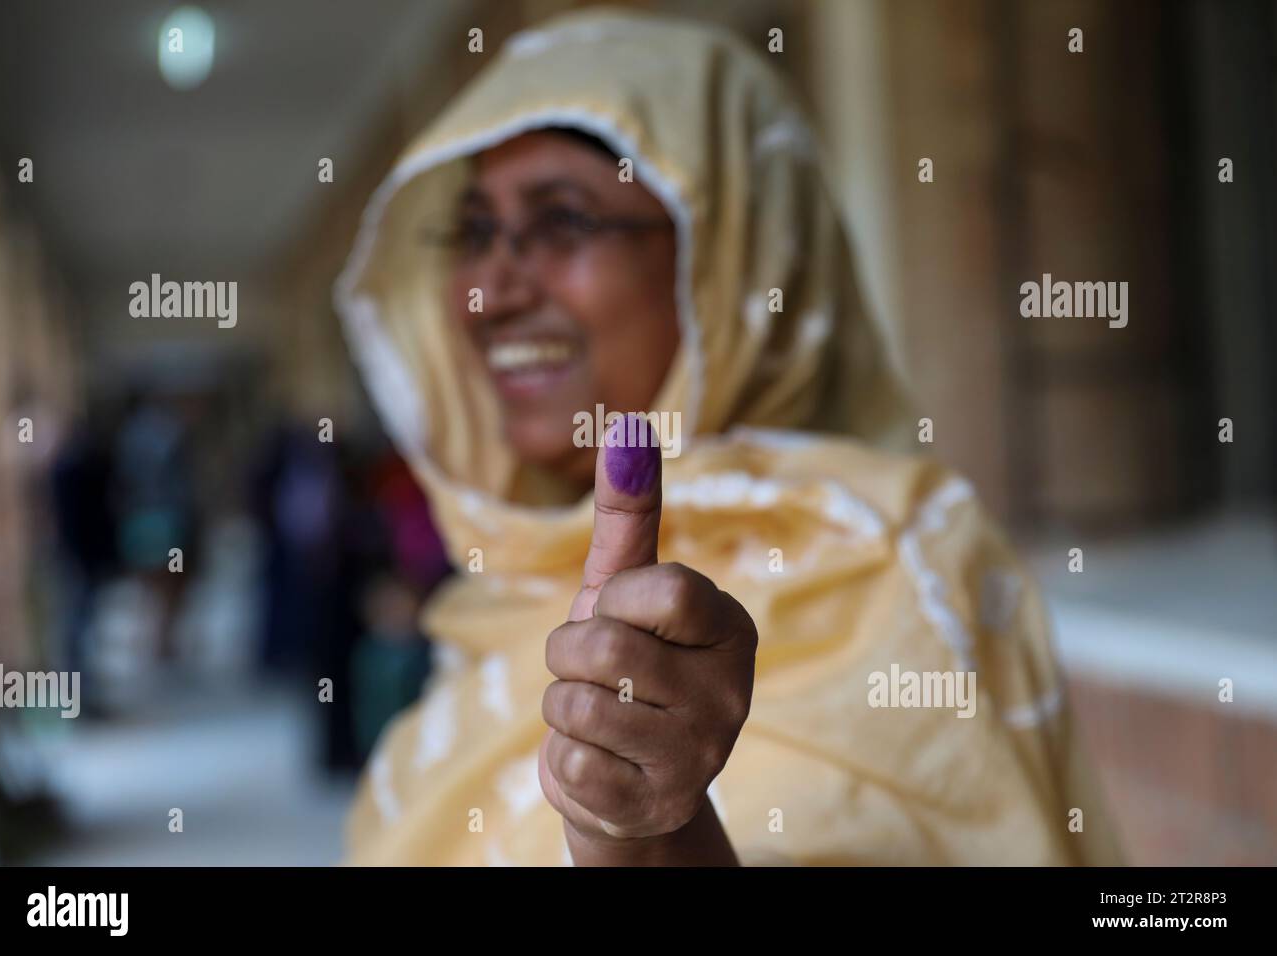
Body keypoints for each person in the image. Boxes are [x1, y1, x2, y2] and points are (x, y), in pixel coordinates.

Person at [334, 7, 1121, 865]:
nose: (493, 286)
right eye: (476, 231)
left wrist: (653, 837)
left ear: (733, 255)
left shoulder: (889, 560)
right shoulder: (497, 598)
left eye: (563, 221)